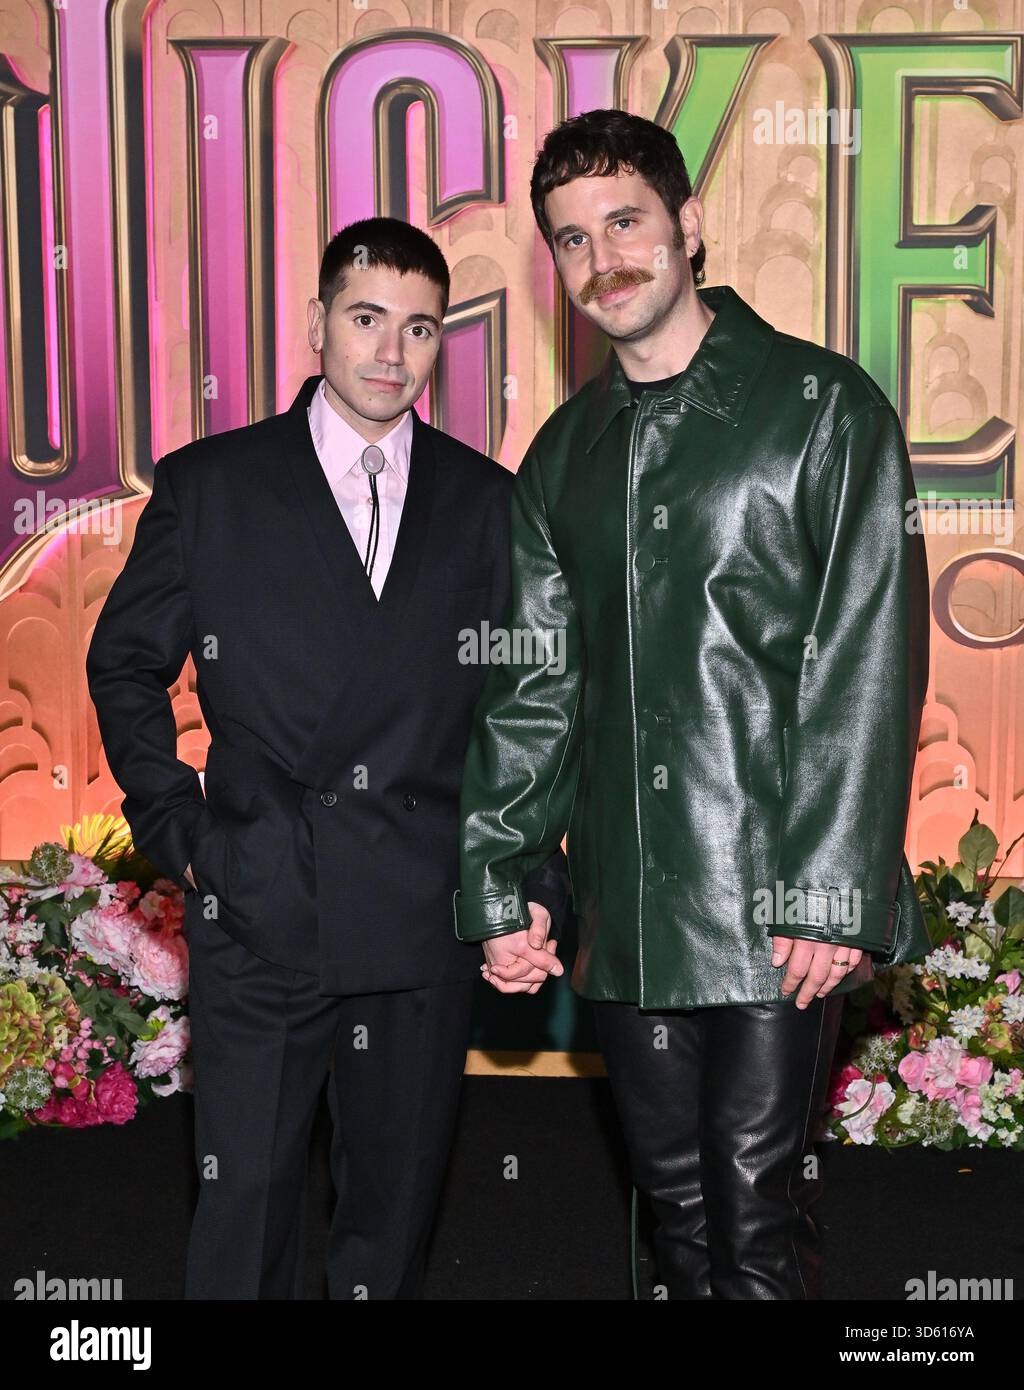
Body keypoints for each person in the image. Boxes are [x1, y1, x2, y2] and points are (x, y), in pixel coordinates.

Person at [454, 109, 931, 1300]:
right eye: (570, 240)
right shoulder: (561, 457)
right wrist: (502, 882)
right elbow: (532, 687)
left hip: (778, 904)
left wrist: (831, 891)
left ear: (690, 227)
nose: (601, 258)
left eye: (624, 222)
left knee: (754, 1210)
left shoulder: (824, 409)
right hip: (628, 904)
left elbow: (862, 658)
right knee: (672, 1216)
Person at [86, 216, 569, 1299]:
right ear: (316, 325)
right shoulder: (211, 484)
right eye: (365, 318)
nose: (390, 352)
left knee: (389, 1227)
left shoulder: (490, 502)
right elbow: (124, 664)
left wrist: (530, 882)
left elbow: (522, 713)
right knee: (242, 1217)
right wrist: (187, 837)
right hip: (259, 903)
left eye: (419, 327)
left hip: (422, 913)